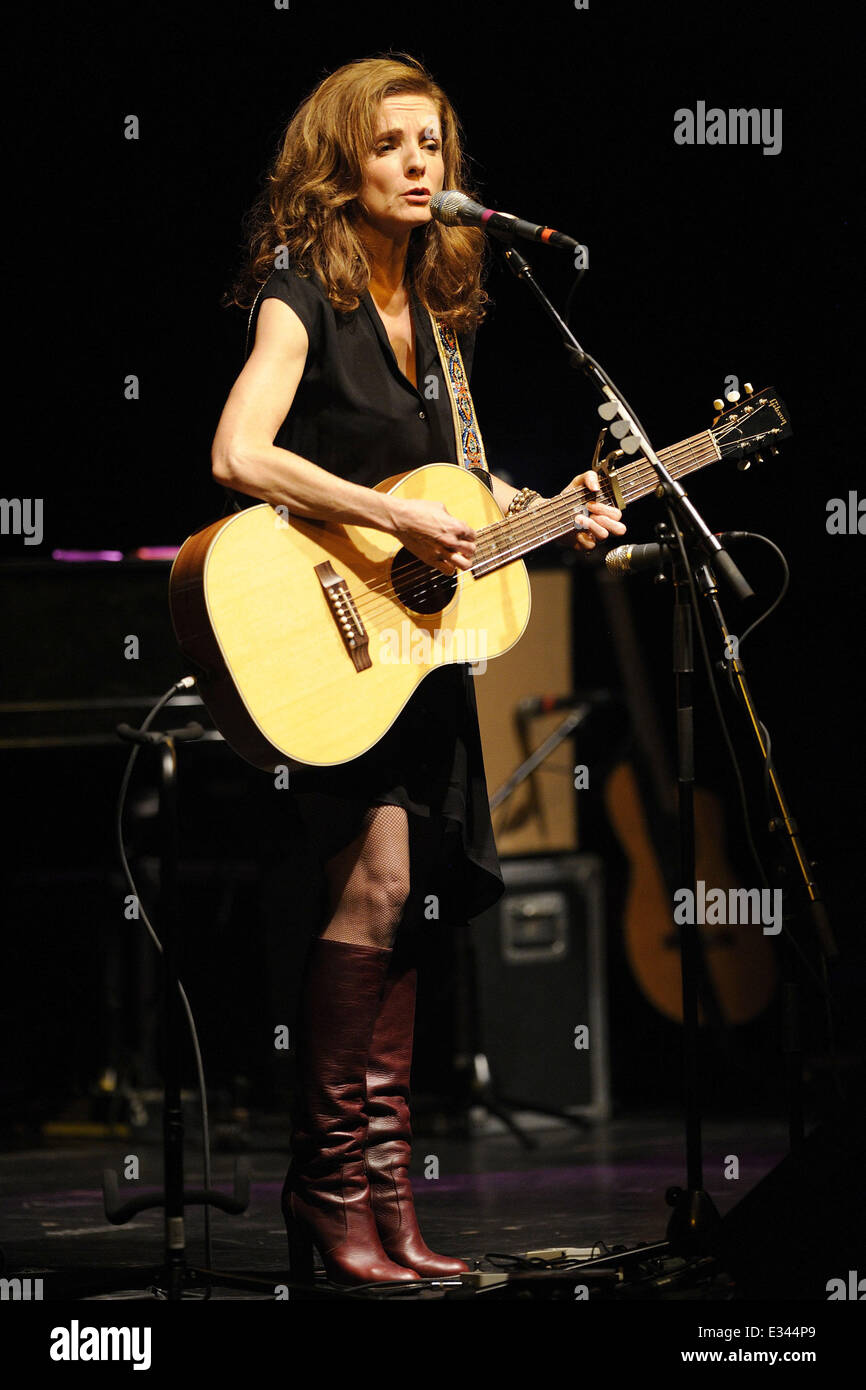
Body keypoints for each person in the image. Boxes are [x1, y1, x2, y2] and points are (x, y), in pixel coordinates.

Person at [210, 52, 626, 1287]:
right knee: (376, 891)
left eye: (431, 147)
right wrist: (386, 522)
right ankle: (326, 1202)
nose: (416, 165)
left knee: (400, 919)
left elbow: (460, 487)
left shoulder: (443, 317)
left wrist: (557, 508)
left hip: (414, 649)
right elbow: (239, 450)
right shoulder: (304, 290)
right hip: (327, 635)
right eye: (391, 145)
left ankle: (382, 1214)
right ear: (342, 161)